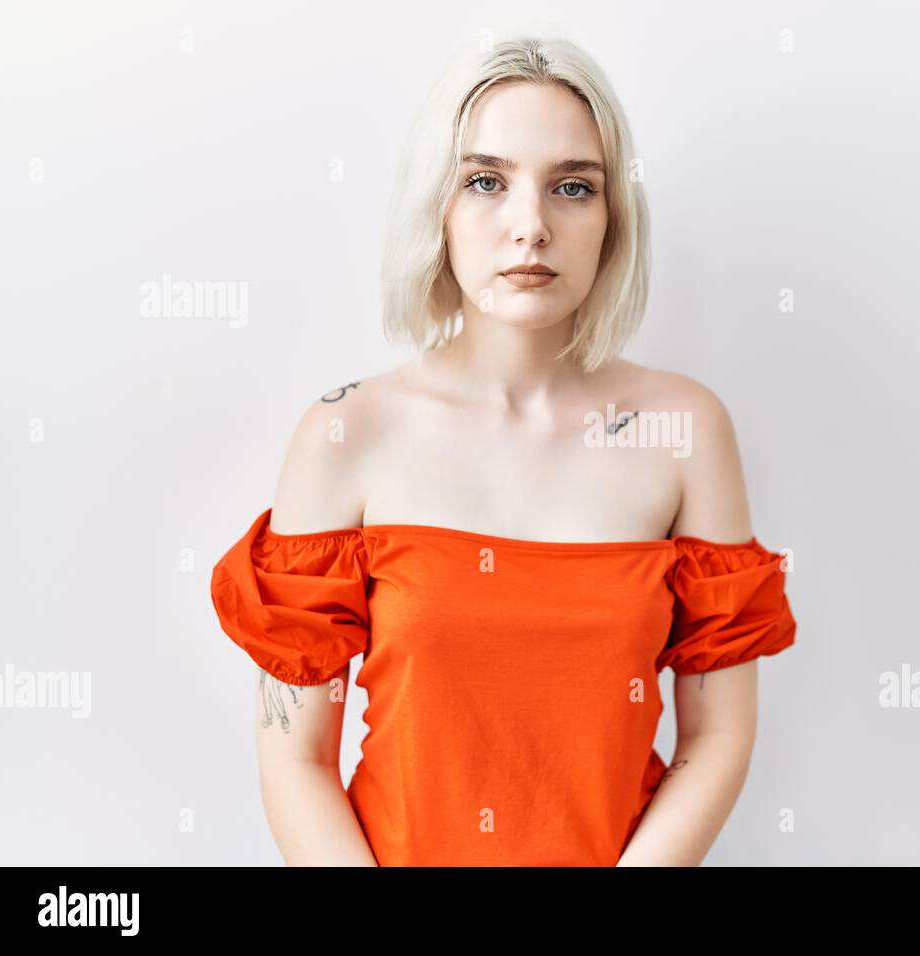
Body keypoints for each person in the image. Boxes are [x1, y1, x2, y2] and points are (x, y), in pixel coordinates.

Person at [210, 36, 797, 866]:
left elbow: (720, 736)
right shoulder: (347, 432)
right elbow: (294, 759)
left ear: (611, 217)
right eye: (486, 181)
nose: (531, 227)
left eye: (572, 187)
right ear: (436, 207)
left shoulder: (687, 431)